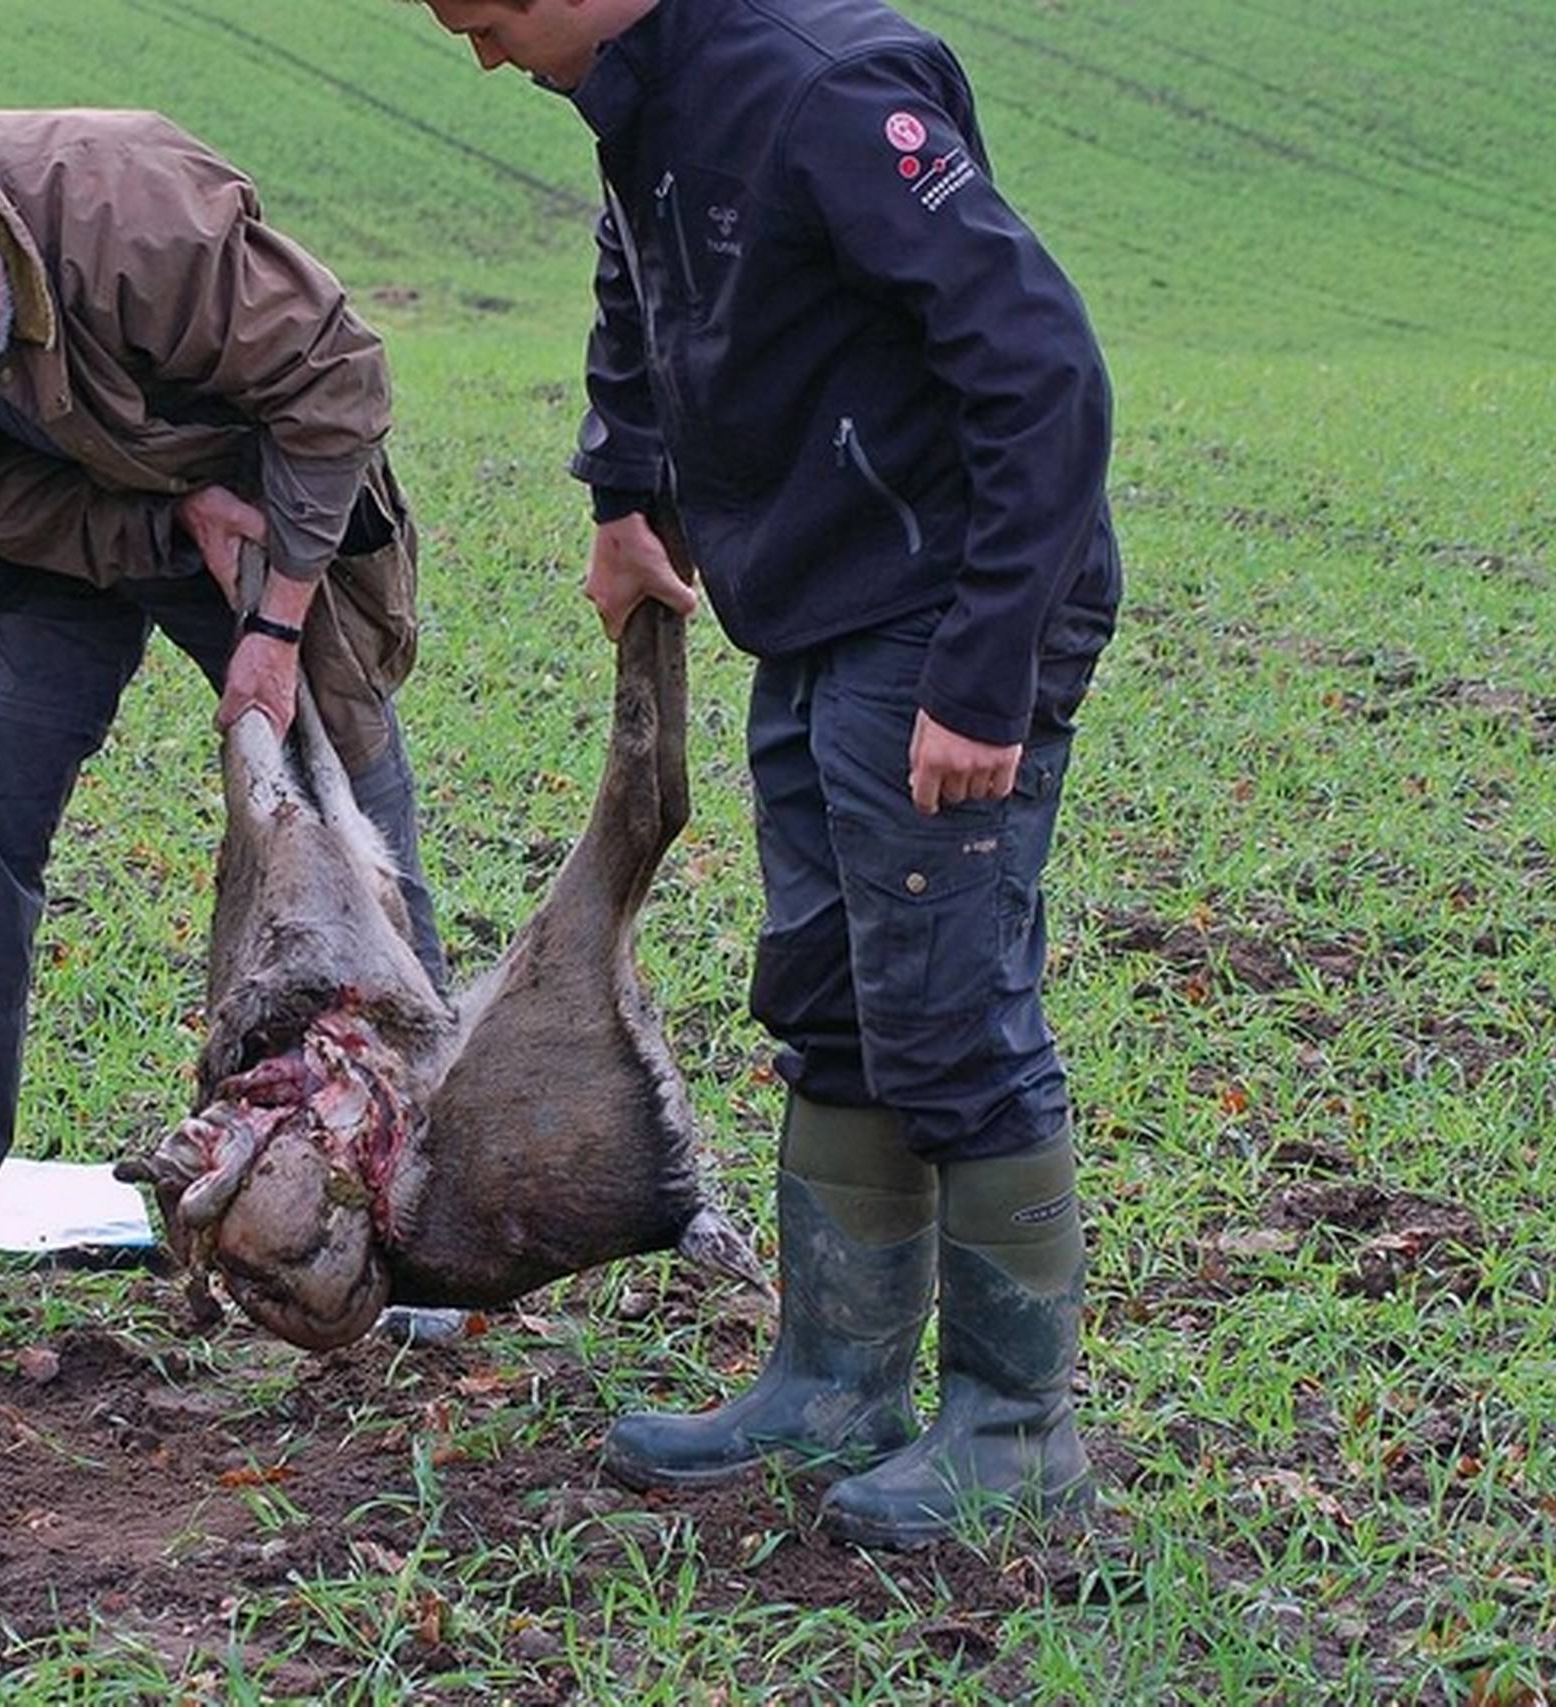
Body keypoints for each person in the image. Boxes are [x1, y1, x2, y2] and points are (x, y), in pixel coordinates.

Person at [411, 0, 1121, 1546]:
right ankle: (832, 1379)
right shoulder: (645, 94)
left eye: (495, 15)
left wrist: (985, 670)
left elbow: (1046, 367)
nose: (484, 53)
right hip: (819, 603)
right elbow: (645, 279)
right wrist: (624, 483)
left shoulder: (820, 89)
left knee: (946, 1007)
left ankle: (1018, 1427)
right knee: (829, 993)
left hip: (942, 606)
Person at [0, 112, 448, 1310]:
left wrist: (277, 624)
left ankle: (416, 1199)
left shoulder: (133, 216)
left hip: (258, 510)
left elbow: (340, 385)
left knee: (354, 835)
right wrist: (147, 527)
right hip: (67, 538)